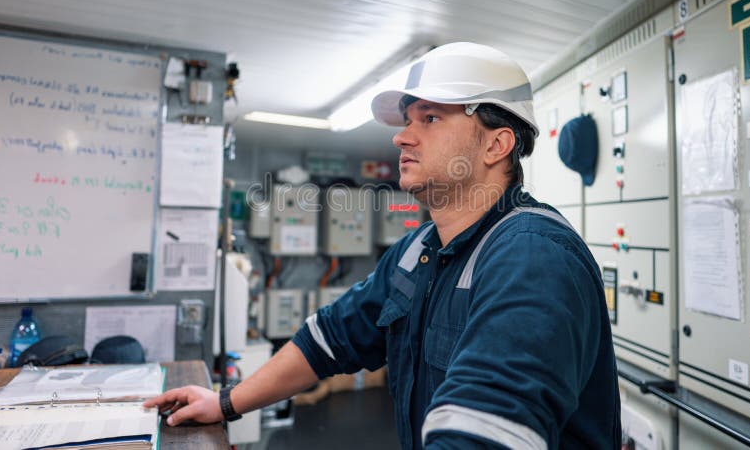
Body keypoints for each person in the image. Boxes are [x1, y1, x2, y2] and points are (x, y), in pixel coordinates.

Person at [144, 42, 621, 449]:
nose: (400, 136)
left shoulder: (533, 257)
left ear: (497, 145)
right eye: (407, 119)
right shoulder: (419, 250)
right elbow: (328, 340)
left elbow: (482, 435)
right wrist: (225, 402)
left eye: (430, 118)